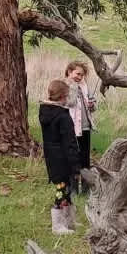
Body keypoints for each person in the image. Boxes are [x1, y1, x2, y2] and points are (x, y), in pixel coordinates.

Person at [39, 78, 80, 234]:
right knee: (62, 190)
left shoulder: (45, 112)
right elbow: (70, 143)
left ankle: (69, 221)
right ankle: (57, 225)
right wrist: (76, 166)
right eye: (67, 95)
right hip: (63, 159)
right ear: (63, 96)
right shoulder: (63, 117)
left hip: (52, 158)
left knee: (65, 189)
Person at [65, 60, 97, 193]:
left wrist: (92, 104)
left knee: (85, 159)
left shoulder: (84, 86)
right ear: (69, 71)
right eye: (77, 74)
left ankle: (85, 189)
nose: (79, 77)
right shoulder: (63, 85)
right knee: (72, 158)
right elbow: (70, 103)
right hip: (71, 128)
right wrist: (73, 86)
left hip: (85, 127)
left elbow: (93, 103)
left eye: (82, 75)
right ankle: (71, 189)